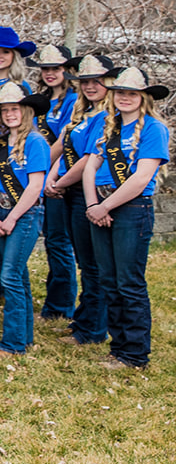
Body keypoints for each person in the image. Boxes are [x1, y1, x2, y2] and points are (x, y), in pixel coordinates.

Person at [80, 67, 169, 370]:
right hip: (100, 205)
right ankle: (118, 347)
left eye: (132, 93)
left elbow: (142, 178)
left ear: (143, 97)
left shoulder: (154, 128)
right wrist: (93, 204)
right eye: (120, 93)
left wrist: (105, 207)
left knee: (129, 282)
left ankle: (134, 354)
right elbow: (91, 167)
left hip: (131, 209)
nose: (125, 98)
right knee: (108, 279)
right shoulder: (108, 126)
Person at [46, 54, 115, 349]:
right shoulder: (80, 113)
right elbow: (61, 147)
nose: (90, 86)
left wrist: (59, 183)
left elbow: (88, 159)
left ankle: (93, 329)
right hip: (67, 190)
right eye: (85, 81)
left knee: (92, 264)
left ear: (109, 83)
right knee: (82, 260)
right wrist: (47, 175)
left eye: (96, 81)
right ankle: (82, 319)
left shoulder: (108, 118)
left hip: (86, 191)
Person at [0, 82, 52, 356]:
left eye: (16, 108)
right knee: (19, 277)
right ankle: (25, 338)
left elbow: (35, 186)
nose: (10, 114)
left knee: (10, 276)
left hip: (25, 213)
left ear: (27, 111)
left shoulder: (36, 142)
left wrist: (11, 218)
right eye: (5, 109)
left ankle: (12, 344)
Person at [29, 43, 79, 324]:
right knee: (51, 239)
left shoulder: (74, 101)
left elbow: (65, 141)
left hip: (58, 174)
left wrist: (44, 168)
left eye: (55, 69)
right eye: (45, 69)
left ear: (67, 70)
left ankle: (60, 306)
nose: (50, 73)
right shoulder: (40, 100)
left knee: (59, 241)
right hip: (40, 173)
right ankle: (55, 301)